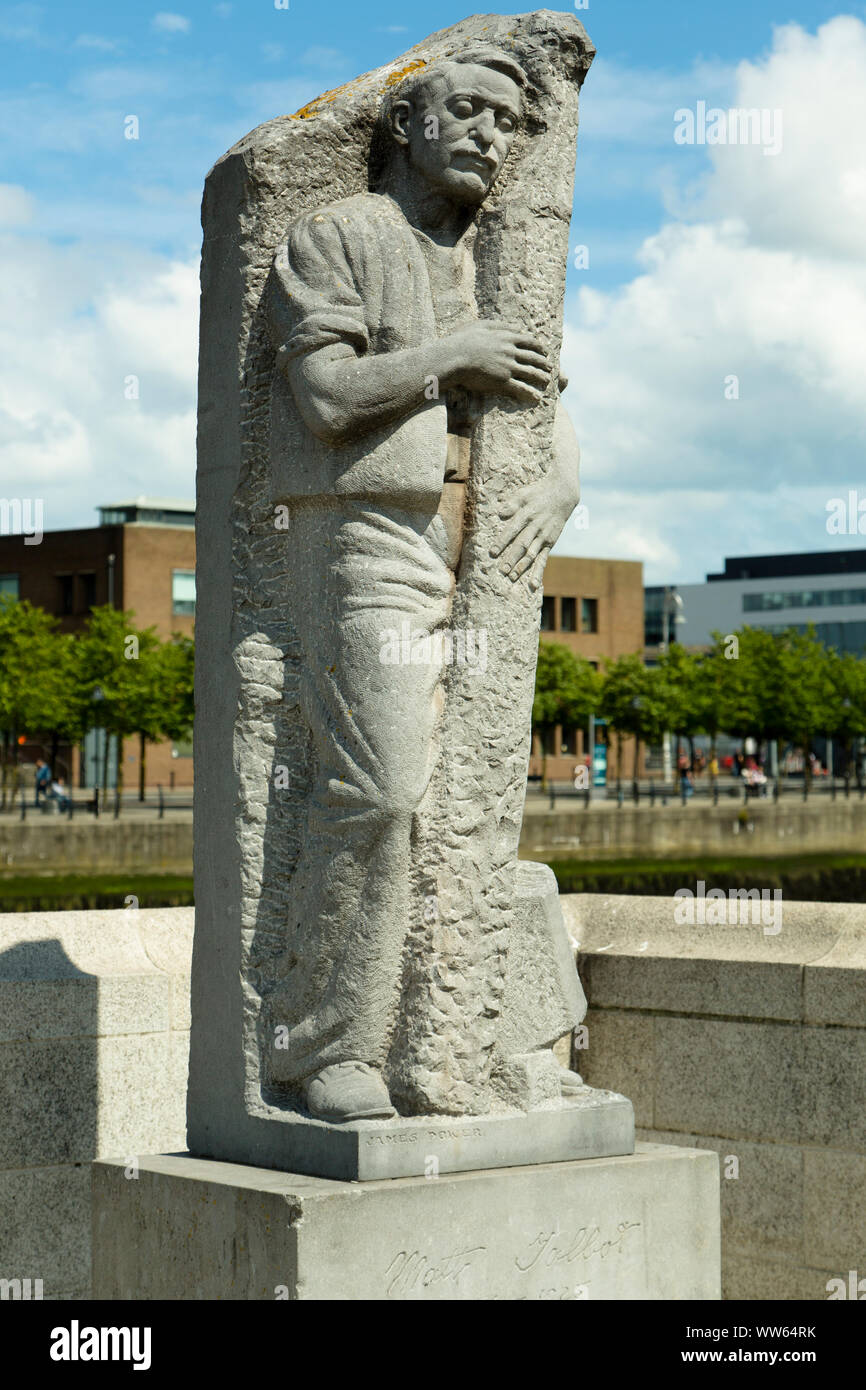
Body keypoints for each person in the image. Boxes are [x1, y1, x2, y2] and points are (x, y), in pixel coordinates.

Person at [264, 49, 582, 1122]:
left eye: (507, 120)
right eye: (467, 111)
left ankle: (469, 1045)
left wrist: (562, 487)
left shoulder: (494, 263)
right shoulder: (339, 235)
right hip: (370, 536)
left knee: (466, 811)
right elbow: (324, 395)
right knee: (382, 791)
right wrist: (453, 356)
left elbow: (543, 393)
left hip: (476, 551)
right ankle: (319, 1047)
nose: (489, 135)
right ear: (405, 124)